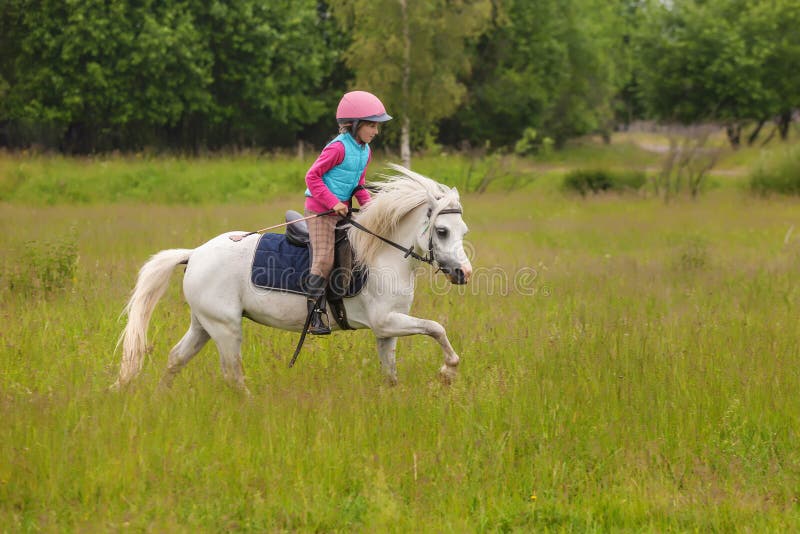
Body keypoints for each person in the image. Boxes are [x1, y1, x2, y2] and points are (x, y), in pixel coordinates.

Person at [303, 90, 392, 334]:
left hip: (342, 211)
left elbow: (358, 186)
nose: (376, 131)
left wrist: (372, 208)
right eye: (372, 125)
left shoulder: (365, 151)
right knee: (324, 258)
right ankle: (314, 315)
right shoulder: (337, 149)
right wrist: (333, 203)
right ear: (354, 125)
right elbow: (312, 177)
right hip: (321, 212)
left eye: (377, 126)